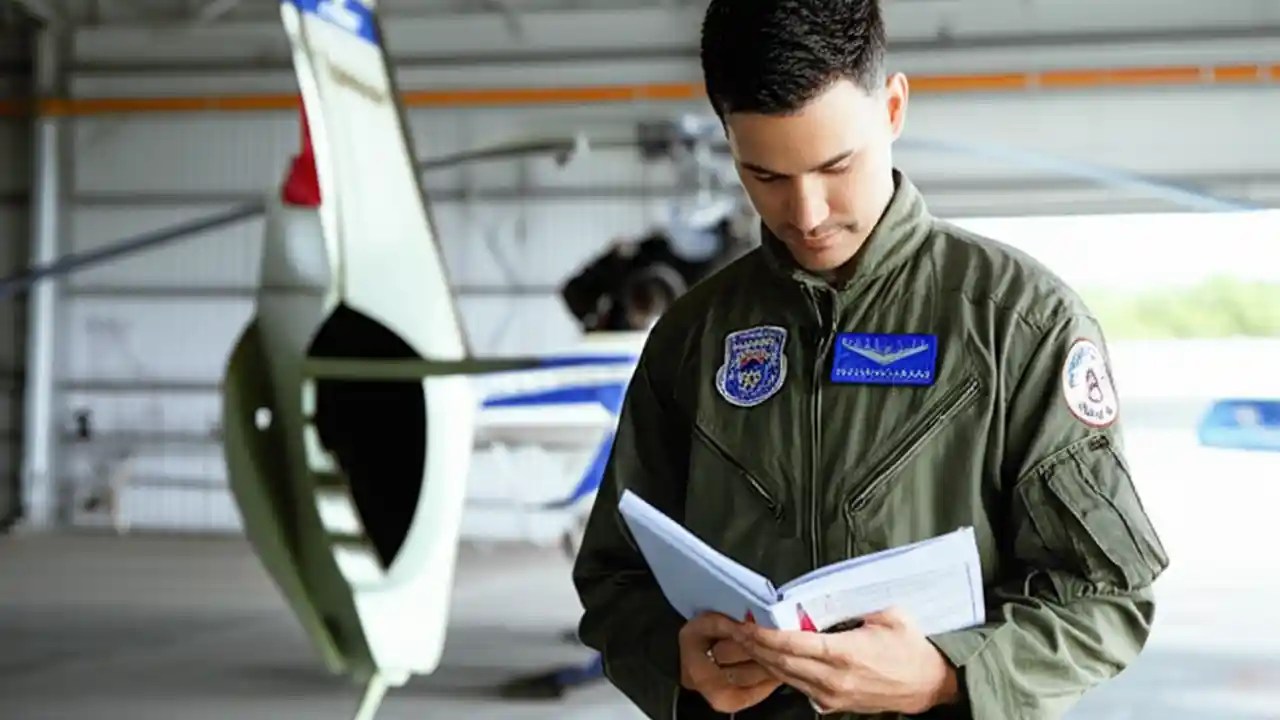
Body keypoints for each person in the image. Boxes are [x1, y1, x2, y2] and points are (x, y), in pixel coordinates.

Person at [571, 0, 1170, 718]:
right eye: (764, 175)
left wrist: (948, 676)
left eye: (836, 165)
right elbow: (613, 579)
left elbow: (1106, 597)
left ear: (892, 108)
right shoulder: (692, 339)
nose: (808, 212)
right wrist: (677, 660)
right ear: (727, 140)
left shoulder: (1020, 324)